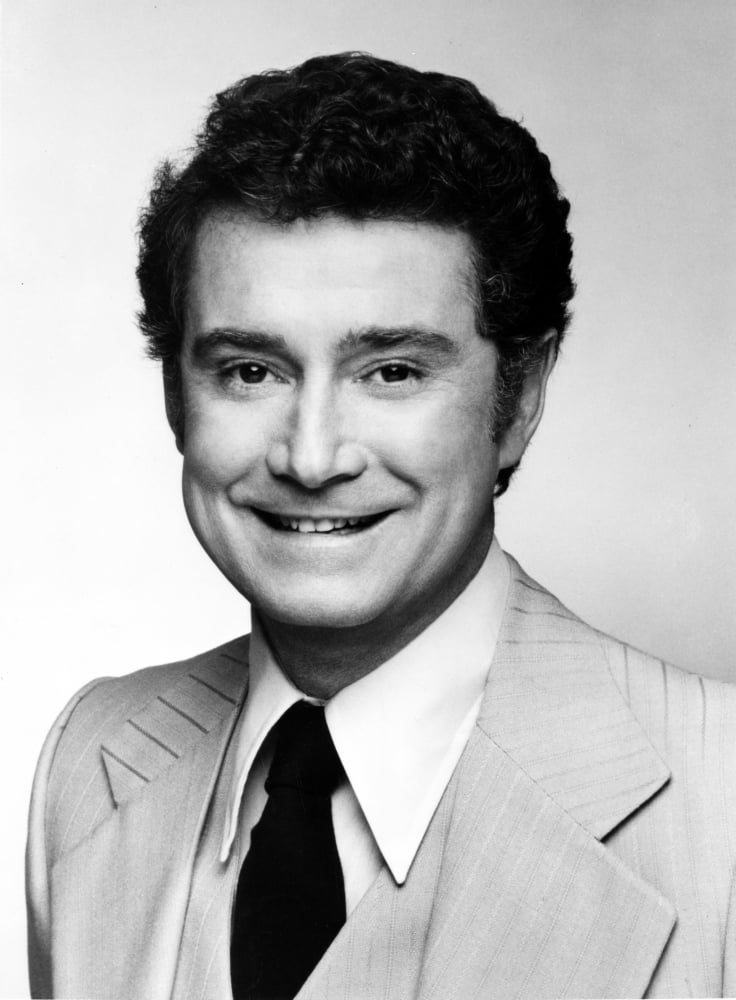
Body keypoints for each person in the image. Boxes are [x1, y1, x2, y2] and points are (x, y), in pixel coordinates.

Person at [26, 52, 736, 1000]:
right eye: (249, 370)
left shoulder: (720, 803)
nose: (312, 458)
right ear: (174, 397)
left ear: (518, 397)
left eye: (391, 371)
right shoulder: (90, 759)